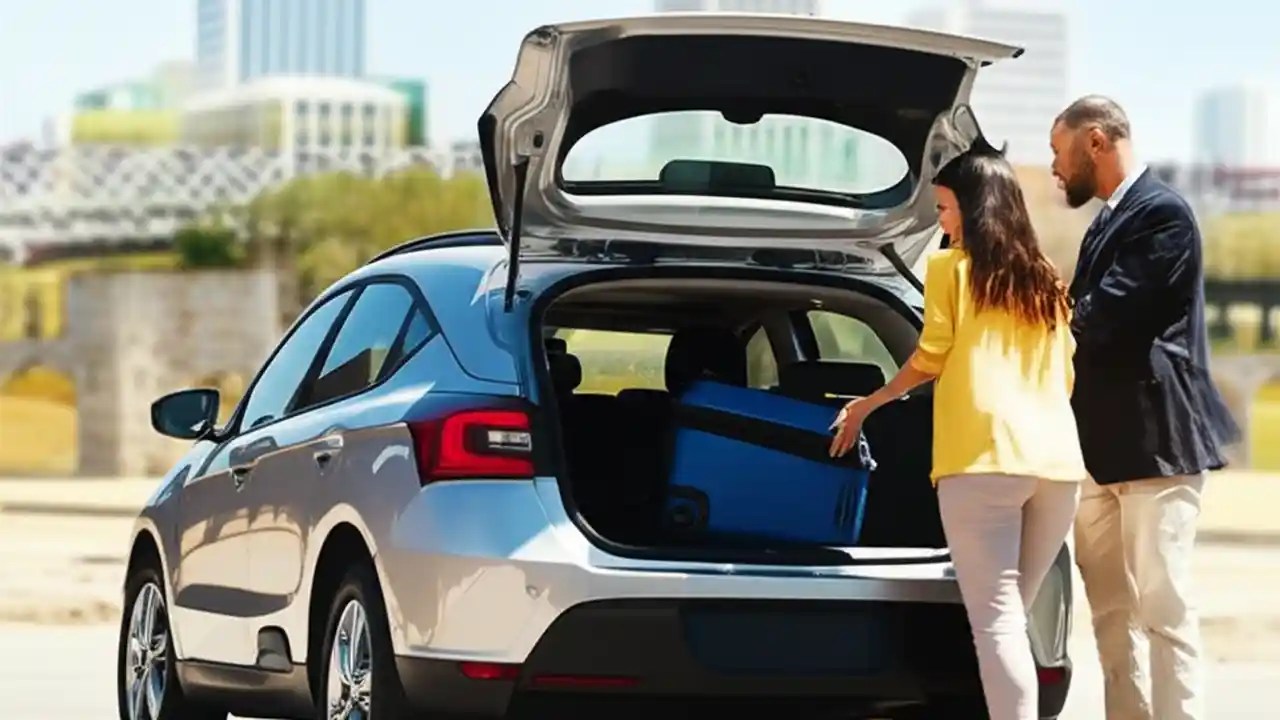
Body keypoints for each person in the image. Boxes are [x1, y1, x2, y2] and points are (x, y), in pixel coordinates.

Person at [830, 143, 1086, 720]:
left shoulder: (951, 268)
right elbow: (1066, 372)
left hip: (983, 459)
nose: (941, 222)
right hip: (1059, 466)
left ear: (973, 209)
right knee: (1009, 623)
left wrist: (869, 403)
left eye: (944, 208)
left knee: (995, 625)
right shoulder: (1046, 280)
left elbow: (931, 355)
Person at [1049, 95, 1238, 720]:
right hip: (1099, 452)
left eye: (1059, 152)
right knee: (1109, 616)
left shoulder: (1164, 217)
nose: (1055, 167)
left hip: (1156, 448)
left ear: (1096, 142)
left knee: (1164, 612)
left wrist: (1039, 313)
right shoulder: (1112, 217)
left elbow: (1108, 319)